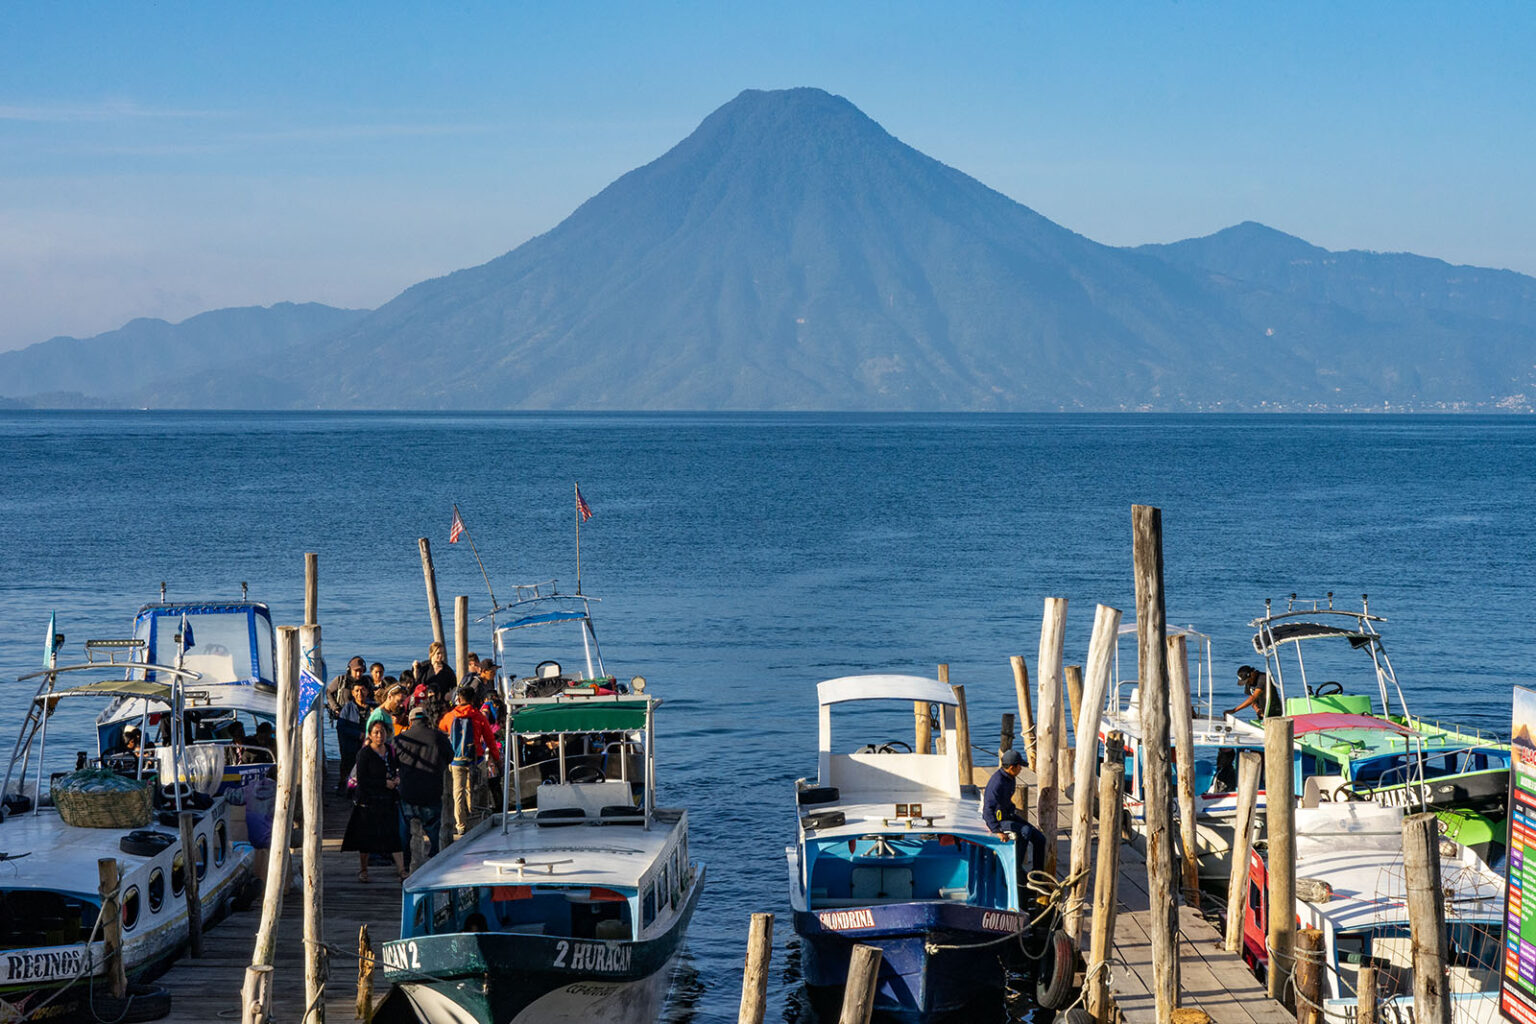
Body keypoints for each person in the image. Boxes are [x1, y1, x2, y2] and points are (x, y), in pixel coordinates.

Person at [341, 720, 406, 882]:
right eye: (376, 732)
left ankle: (402, 870)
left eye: (382, 732)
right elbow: (362, 779)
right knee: (366, 838)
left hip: (388, 799)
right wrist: (383, 783)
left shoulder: (390, 751)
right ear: (370, 734)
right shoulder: (364, 754)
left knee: (393, 835)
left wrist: (397, 778)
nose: (379, 735)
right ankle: (363, 870)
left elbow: (396, 767)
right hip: (368, 800)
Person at [439, 685, 502, 838]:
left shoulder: (450, 716)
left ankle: (461, 824)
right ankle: (474, 817)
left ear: (459, 699)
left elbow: (441, 730)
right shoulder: (479, 717)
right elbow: (490, 740)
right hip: (476, 759)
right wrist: (497, 759)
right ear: (473, 699)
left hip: (456, 760)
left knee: (458, 792)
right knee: (475, 790)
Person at [395, 705, 452, 870]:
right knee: (434, 831)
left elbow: (392, 762)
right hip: (432, 791)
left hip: (408, 792)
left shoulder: (400, 739)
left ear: (411, 721)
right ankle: (435, 862)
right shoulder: (439, 737)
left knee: (405, 832)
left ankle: (404, 863)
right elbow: (450, 756)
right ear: (426, 720)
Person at [981, 750, 1045, 874]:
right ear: (1011, 768)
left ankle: (1037, 874)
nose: (1021, 769)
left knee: (1039, 838)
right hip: (998, 821)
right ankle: (1016, 868)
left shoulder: (1010, 777)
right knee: (1025, 831)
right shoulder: (997, 783)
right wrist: (997, 831)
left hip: (1008, 815)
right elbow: (987, 810)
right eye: (1019, 766)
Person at [336, 679, 372, 795]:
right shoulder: (348, 708)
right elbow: (341, 727)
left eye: (362, 690)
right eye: (356, 690)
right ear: (352, 692)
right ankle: (343, 787)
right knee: (347, 767)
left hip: (368, 744)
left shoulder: (373, 707)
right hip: (351, 745)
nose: (359, 693)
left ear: (367, 691)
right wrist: (358, 734)